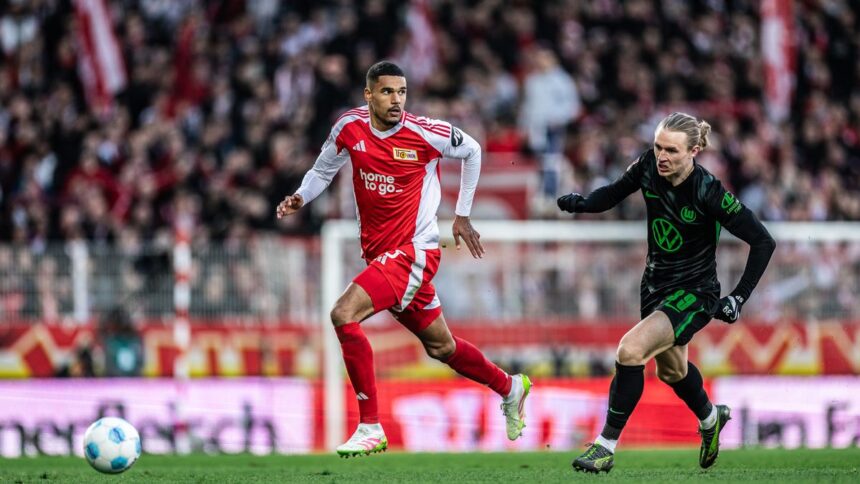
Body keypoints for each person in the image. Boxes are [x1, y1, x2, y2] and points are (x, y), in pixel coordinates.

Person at [276, 61, 531, 457]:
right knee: (442, 348)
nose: (396, 100)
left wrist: (462, 214)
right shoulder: (349, 127)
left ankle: (370, 425)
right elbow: (323, 170)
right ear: (369, 94)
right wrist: (300, 197)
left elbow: (473, 151)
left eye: (402, 92)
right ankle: (510, 387)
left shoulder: (423, 131)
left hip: (414, 252)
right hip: (381, 254)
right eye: (387, 92)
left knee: (344, 314)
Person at [557, 112, 775, 473]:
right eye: (658, 146)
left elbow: (763, 241)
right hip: (655, 286)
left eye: (671, 150)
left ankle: (604, 446)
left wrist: (738, 297)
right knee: (671, 372)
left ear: (695, 150)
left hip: (695, 293)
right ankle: (710, 419)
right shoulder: (647, 166)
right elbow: (613, 193)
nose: (662, 156)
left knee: (630, 351)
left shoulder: (708, 190)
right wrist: (583, 203)